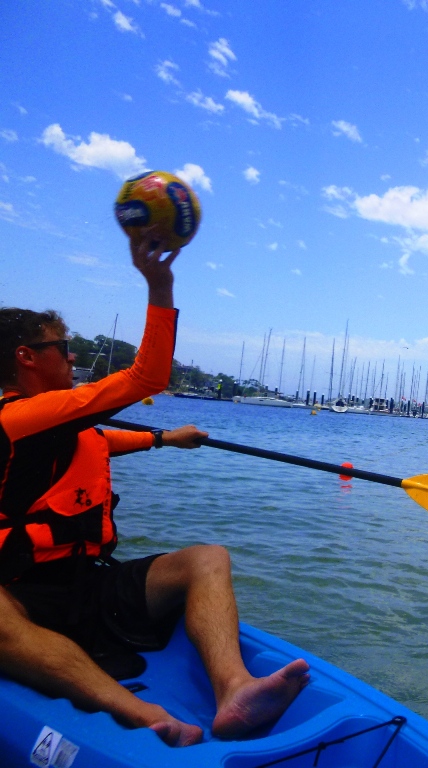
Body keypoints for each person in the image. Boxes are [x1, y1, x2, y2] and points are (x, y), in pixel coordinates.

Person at [0, 234, 309, 747]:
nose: (73, 355)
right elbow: (148, 377)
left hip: (86, 582)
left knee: (206, 558)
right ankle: (142, 713)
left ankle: (234, 689)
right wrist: (160, 286)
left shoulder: (57, 425)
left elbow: (102, 442)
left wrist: (166, 437)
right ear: (27, 357)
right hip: (22, 588)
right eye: (62, 346)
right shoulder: (20, 418)